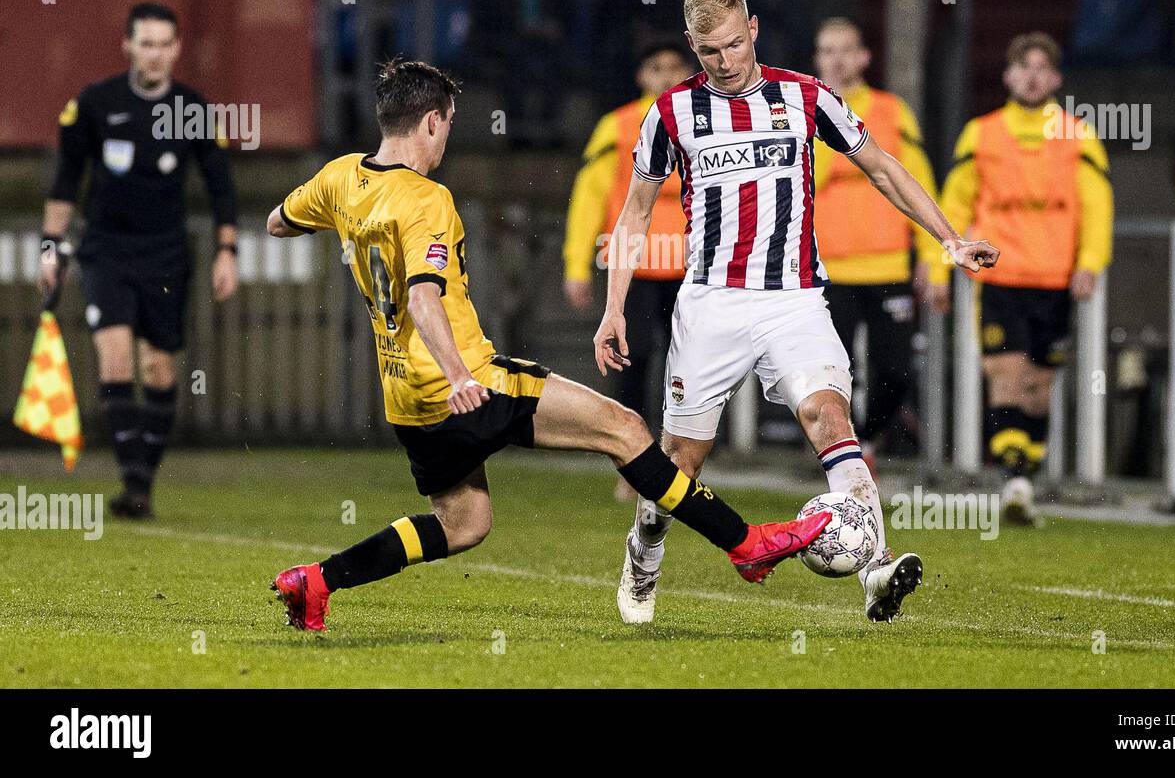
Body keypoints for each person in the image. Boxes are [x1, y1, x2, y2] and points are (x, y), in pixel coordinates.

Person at [266, 60, 830, 632]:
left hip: (406, 402)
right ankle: (747, 544)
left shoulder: (341, 178)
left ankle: (317, 580)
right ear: (432, 122)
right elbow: (422, 301)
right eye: (452, 123)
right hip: (466, 385)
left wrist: (351, 225)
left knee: (465, 523)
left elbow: (277, 223)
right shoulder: (425, 200)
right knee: (626, 428)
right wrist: (461, 374)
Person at [595, 0, 998, 624]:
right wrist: (614, 308)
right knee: (678, 464)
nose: (724, 63)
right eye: (708, 53)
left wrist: (948, 240)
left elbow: (884, 169)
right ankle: (643, 552)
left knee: (830, 418)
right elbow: (635, 214)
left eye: (732, 45)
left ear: (752, 28)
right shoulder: (671, 113)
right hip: (712, 304)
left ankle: (877, 567)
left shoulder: (805, 98)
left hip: (795, 300)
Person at [38, 2, 239, 519]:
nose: (154, 53)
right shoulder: (94, 103)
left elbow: (220, 184)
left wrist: (227, 251)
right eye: (144, 43)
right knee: (115, 358)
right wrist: (51, 247)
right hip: (105, 249)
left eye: (163, 44)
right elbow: (65, 183)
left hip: (167, 253)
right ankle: (134, 486)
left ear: (176, 49)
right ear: (127, 45)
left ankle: (143, 480)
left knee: (158, 367)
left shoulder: (192, 108)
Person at [929, 32, 1113, 524]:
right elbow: (953, 206)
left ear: (1054, 78)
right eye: (1023, 66)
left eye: (1042, 68)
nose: (1032, 75)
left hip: (1054, 279)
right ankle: (1014, 477)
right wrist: (940, 268)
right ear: (1009, 75)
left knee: (1039, 386)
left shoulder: (1078, 135)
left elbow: (1097, 208)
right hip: (1000, 276)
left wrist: (1090, 262)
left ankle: (1022, 477)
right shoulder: (982, 133)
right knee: (1004, 375)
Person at [562, 41, 693, 493]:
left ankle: (678, 458)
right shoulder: (617, 127)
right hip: (635, 269)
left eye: (675, 66)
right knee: (633, 366)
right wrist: (576, 264)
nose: (665, 75)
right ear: (641, 76)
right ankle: (637, 464)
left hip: (693, 268)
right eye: (655, 67)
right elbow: (589, 199)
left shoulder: (706, 119)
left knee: (689, 367)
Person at [812, 17, 938, 471]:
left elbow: (917, 183)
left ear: (864, 57)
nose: (837, 59)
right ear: (817, 59)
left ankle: (867, 437)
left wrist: (933, 258)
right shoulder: (803, 112)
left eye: (846, 49)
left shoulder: (890, 111)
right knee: (832, 372)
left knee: (897, 370)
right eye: (827, 50)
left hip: (887, 266)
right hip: (826, 271)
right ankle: (845, 455)